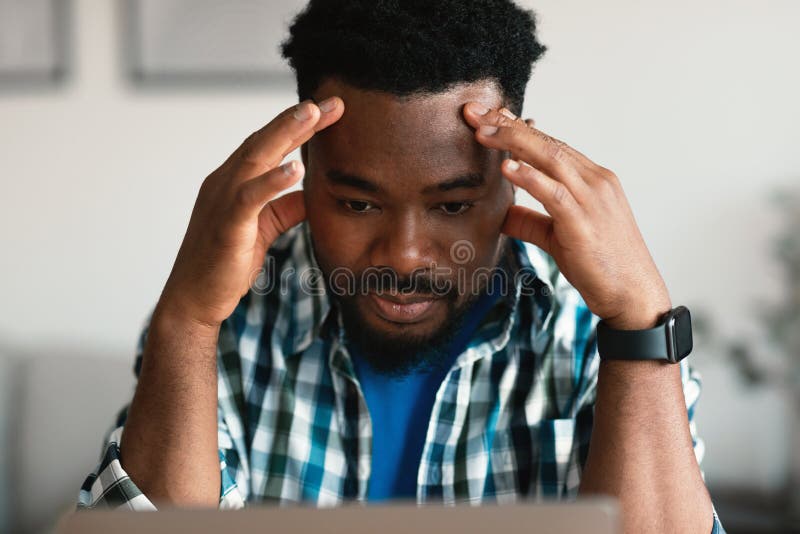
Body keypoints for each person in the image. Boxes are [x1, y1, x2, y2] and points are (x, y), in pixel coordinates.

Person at [77, 1, 725, 532]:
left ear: (517, 170)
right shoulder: (229, 325)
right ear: (305, 168)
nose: (404, 255)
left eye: (453, 203)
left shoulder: (599, 332)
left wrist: (641, 318)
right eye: (358, 202)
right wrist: (186, 321)